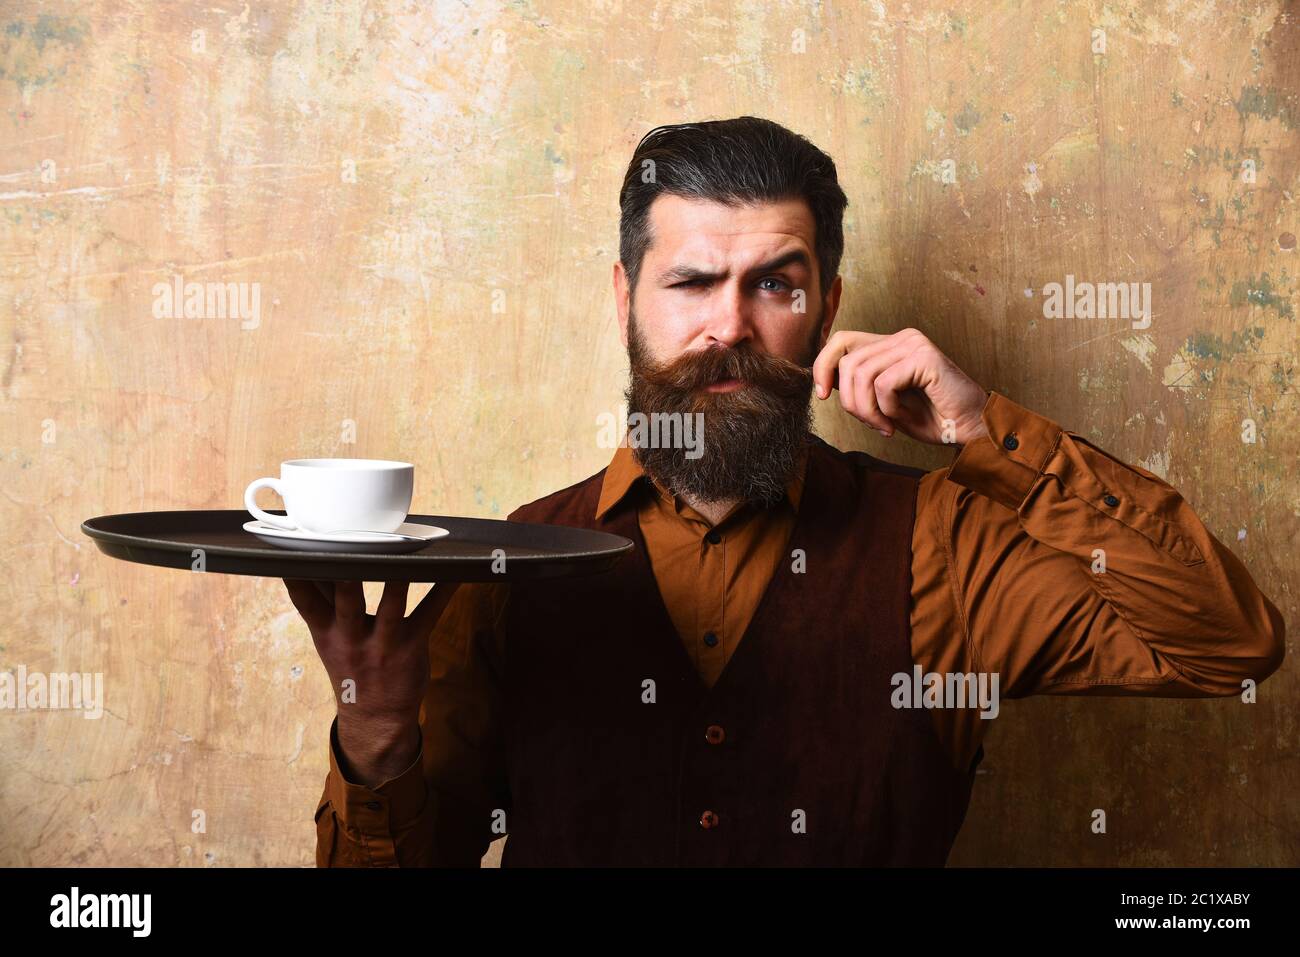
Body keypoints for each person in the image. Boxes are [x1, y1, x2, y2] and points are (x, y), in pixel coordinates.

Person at [284, 116, 1285, 867]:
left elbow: (1225, 644)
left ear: (828, 308)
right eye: (690, 283)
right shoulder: (518, 559)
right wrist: (376, 737)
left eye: (774, 284)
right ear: (625, 300)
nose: (729, 326)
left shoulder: (942, 542)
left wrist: (988, 433)